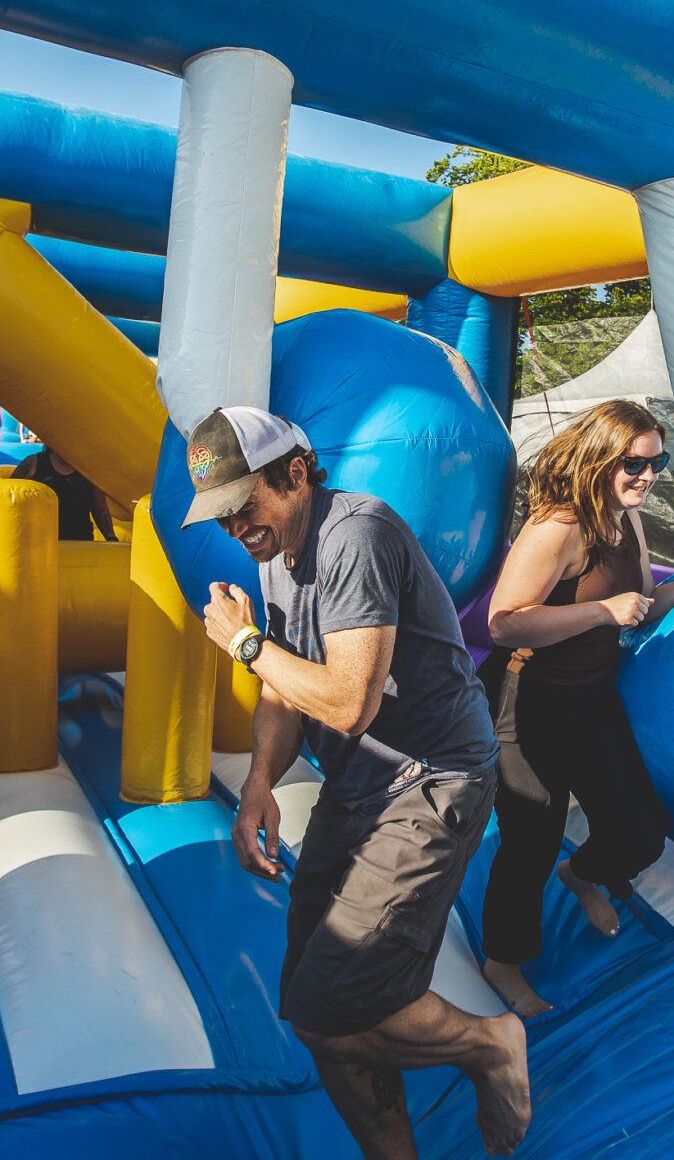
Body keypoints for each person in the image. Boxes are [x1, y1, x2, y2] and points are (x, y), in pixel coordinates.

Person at [185, 404, 532, 1159]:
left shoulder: (355, 536)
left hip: (430, 781)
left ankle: (490, 1043)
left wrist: (244, 643)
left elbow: (346, 702)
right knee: (316, 1010)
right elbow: (285, 685)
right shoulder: (275, 548)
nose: (237, 528)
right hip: (358, 791)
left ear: (297, 472)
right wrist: (257, 786)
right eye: (221, 517)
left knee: (335, 1008)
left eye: (244, 505)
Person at [480, 399, 674, 1017]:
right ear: (600, 458)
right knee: (532, 839)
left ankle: (584, 875)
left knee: (639, 828)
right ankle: (502, 960)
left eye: (656, 464)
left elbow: (644, 602)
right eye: (634, 464)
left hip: (591, 697)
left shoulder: (624, 516)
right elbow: (503, 624)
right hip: (527, 703)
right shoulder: (560, 526)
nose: (648, 477)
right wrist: (602, 611)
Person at [10, 446, 120, 540]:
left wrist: (111, 538)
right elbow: (9, 498)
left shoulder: (89, 469)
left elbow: (100, 509)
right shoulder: (34, 463)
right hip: (42, 543)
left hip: (80, 541)